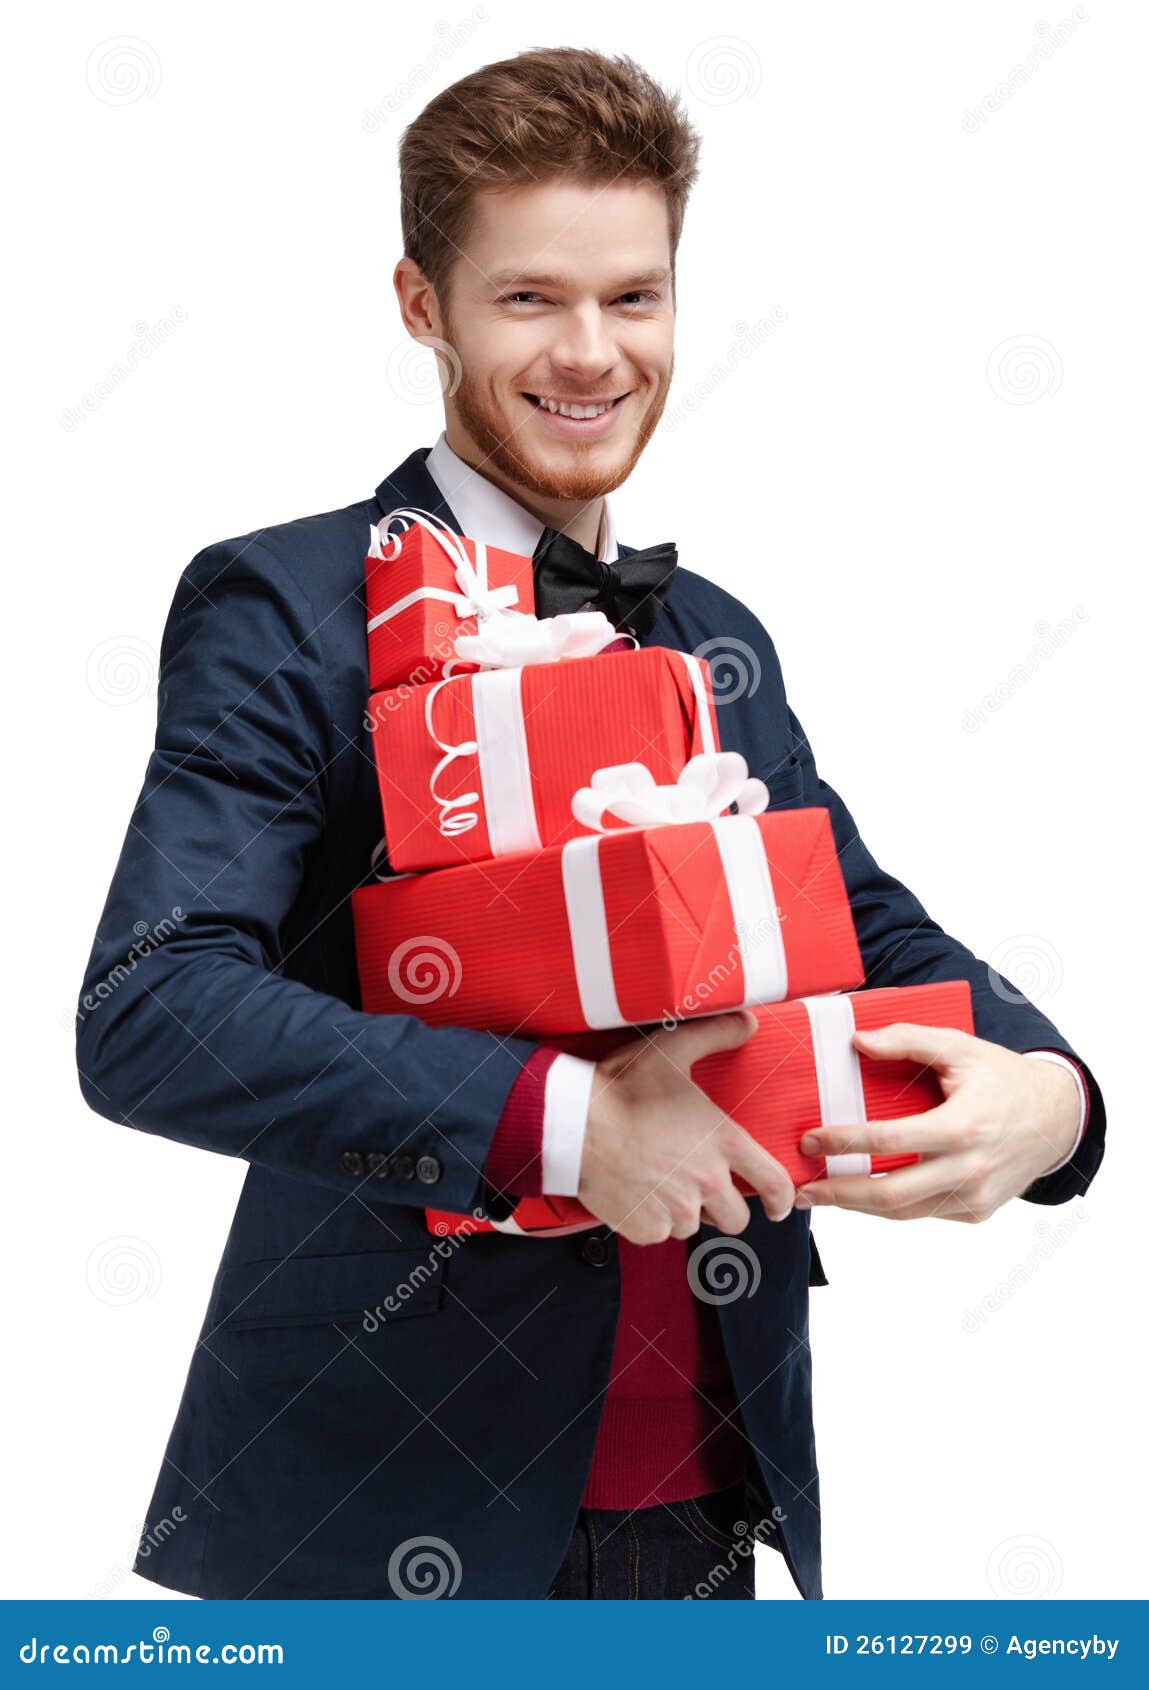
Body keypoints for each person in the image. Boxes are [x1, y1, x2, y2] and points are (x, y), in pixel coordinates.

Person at [76, 47, 1105, 1602]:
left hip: (704, 1492)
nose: (590, 352)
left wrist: (1054, 1094)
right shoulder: (282, 603)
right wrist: (571, 1128)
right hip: (377, 1499)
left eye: (633, 297)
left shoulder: (710, 627)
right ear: (420, 305)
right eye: (529, 298)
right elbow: (153, 1007)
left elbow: (852, 909)